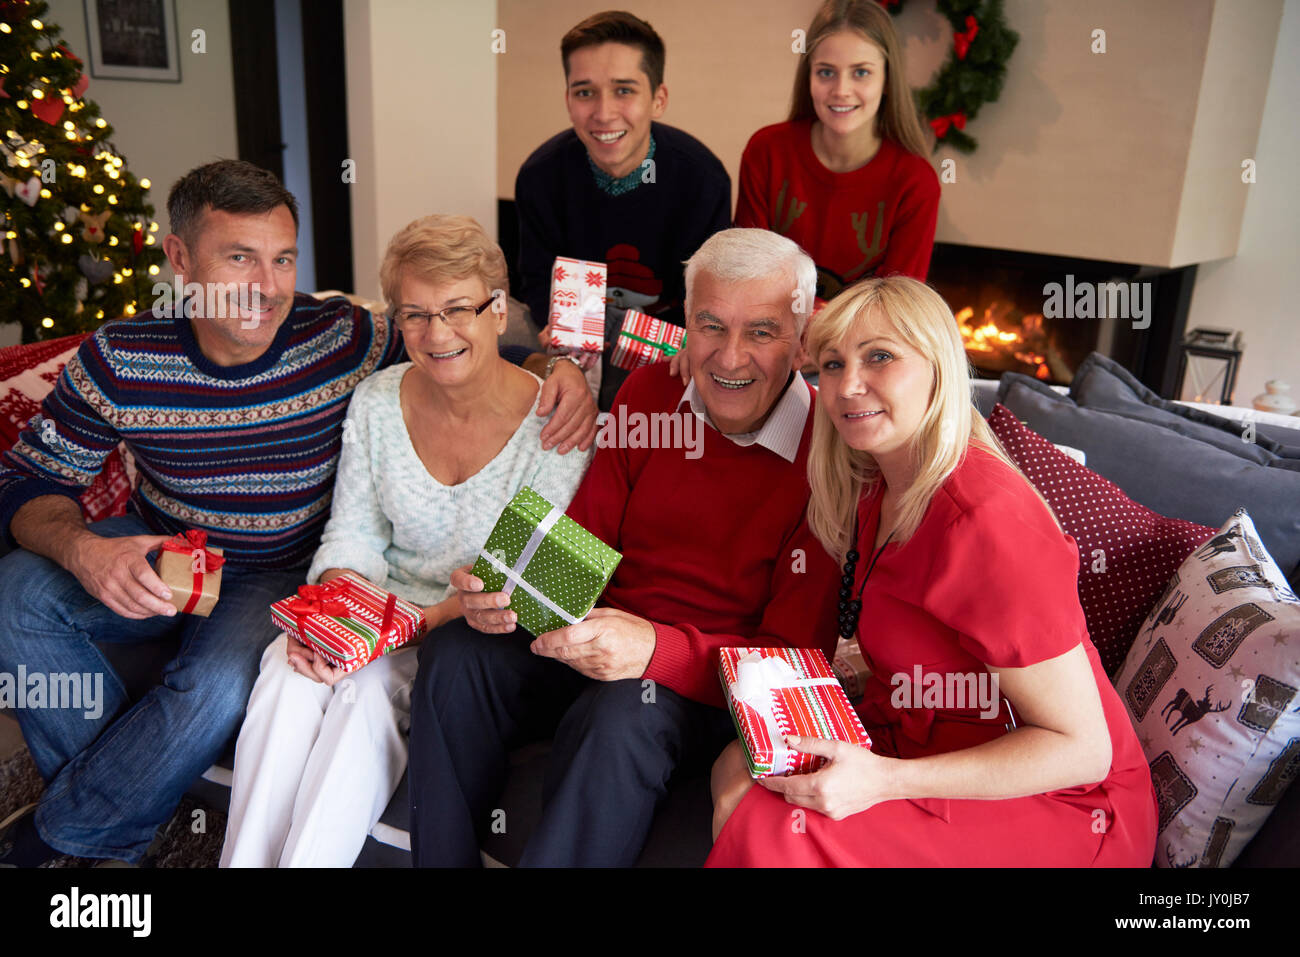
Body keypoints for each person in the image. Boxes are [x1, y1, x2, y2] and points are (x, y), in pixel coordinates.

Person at [0, 160, 597, 868]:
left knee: (253, 684)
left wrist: (558, 361)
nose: (267, 285)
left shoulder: (341, 337)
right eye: (239, 257)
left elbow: (463, 346)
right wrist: (87, 551)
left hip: (309, 584)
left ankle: (89, 820)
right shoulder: (122, 357)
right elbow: (23, 483)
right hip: (179, 553)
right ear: (180, 258)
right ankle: (118, 816)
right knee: (17, 595)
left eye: (282, 259)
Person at [407, 228, 841, 867]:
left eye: (762, 332)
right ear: (684, 323)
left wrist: (655, 652)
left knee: (623, 711)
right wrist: (509, 592)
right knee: (458, 653)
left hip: (711, 687)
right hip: (596, 640)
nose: (729, 357)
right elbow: (584, 538)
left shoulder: (829, 455)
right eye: (711, 326)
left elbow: (794, 662)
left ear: (802, 339)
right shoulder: (648, 397)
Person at [707, 277, 1158, 867]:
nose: (847, 387)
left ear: (939, 370)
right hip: (926, 734)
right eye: (834, 363)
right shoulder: (877, 482)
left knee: (775, 823)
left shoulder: (984, 521)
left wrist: (883, 780)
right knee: (739, 767)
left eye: (881, 357)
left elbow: (1081, 751)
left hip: (1061, 801)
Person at [220, 216, 591, 867]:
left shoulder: (554, 424)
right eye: (415, 315)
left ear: (499, 310)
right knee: (287, 667)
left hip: (465, 634)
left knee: (366, 692)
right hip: (372, 614)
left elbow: (514, 577)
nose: (436, 334)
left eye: (456, 310)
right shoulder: (375, 402)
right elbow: (354, 533)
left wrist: (399, 631)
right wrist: (336, 620)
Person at [515, 9, 732, 409]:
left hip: (666, 345)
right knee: (502, 331)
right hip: (572, 337)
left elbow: (708, 295)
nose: (603, 113)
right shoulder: (540, 176)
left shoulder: (701, 178)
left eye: (624, 90)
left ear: (658, 99)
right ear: (567, 99)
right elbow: (536, 279)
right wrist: (563, 331)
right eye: (585, 92)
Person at [735, 0, 940, 301]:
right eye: (826, 72)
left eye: (861, 73)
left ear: (887, 80)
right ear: (809, 78)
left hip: (859, 344)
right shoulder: (766, 152)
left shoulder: (916, 182)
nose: (841, 90)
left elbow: (897, 308)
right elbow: (747, 274)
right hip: (771, 333)